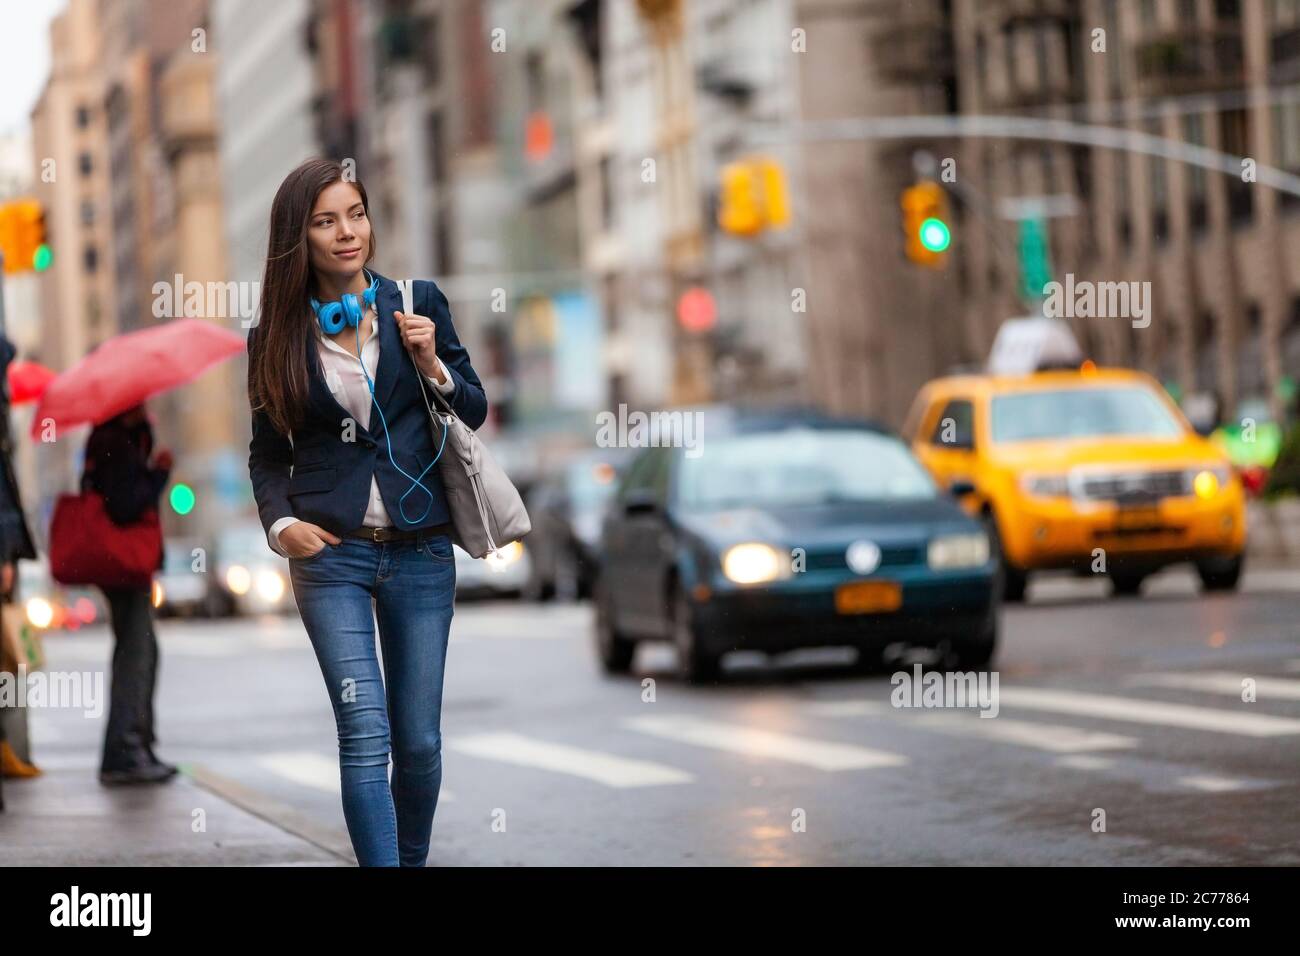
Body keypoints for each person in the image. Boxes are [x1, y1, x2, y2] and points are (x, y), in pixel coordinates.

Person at [246, 158, 487, 867]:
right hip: (333, 558)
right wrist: (279, 524)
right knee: (363, 730)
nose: (346, 232)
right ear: (300, 238)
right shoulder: (275, 337)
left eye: (355, 214)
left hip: (420, 549)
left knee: (418, 741)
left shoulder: (419, 302)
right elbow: (266, 454)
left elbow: (473, 406)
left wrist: (434, 364)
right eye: (325, 221)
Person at [81, 403, 179, 785]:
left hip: (121, 566)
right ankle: (125, 751)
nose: (147, 403)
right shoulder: (113, 441)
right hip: (123, 565)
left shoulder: (115, 438)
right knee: (137, 655)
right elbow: (124, 505)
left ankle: (136, 746)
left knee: (140, 652)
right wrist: (159, 474)